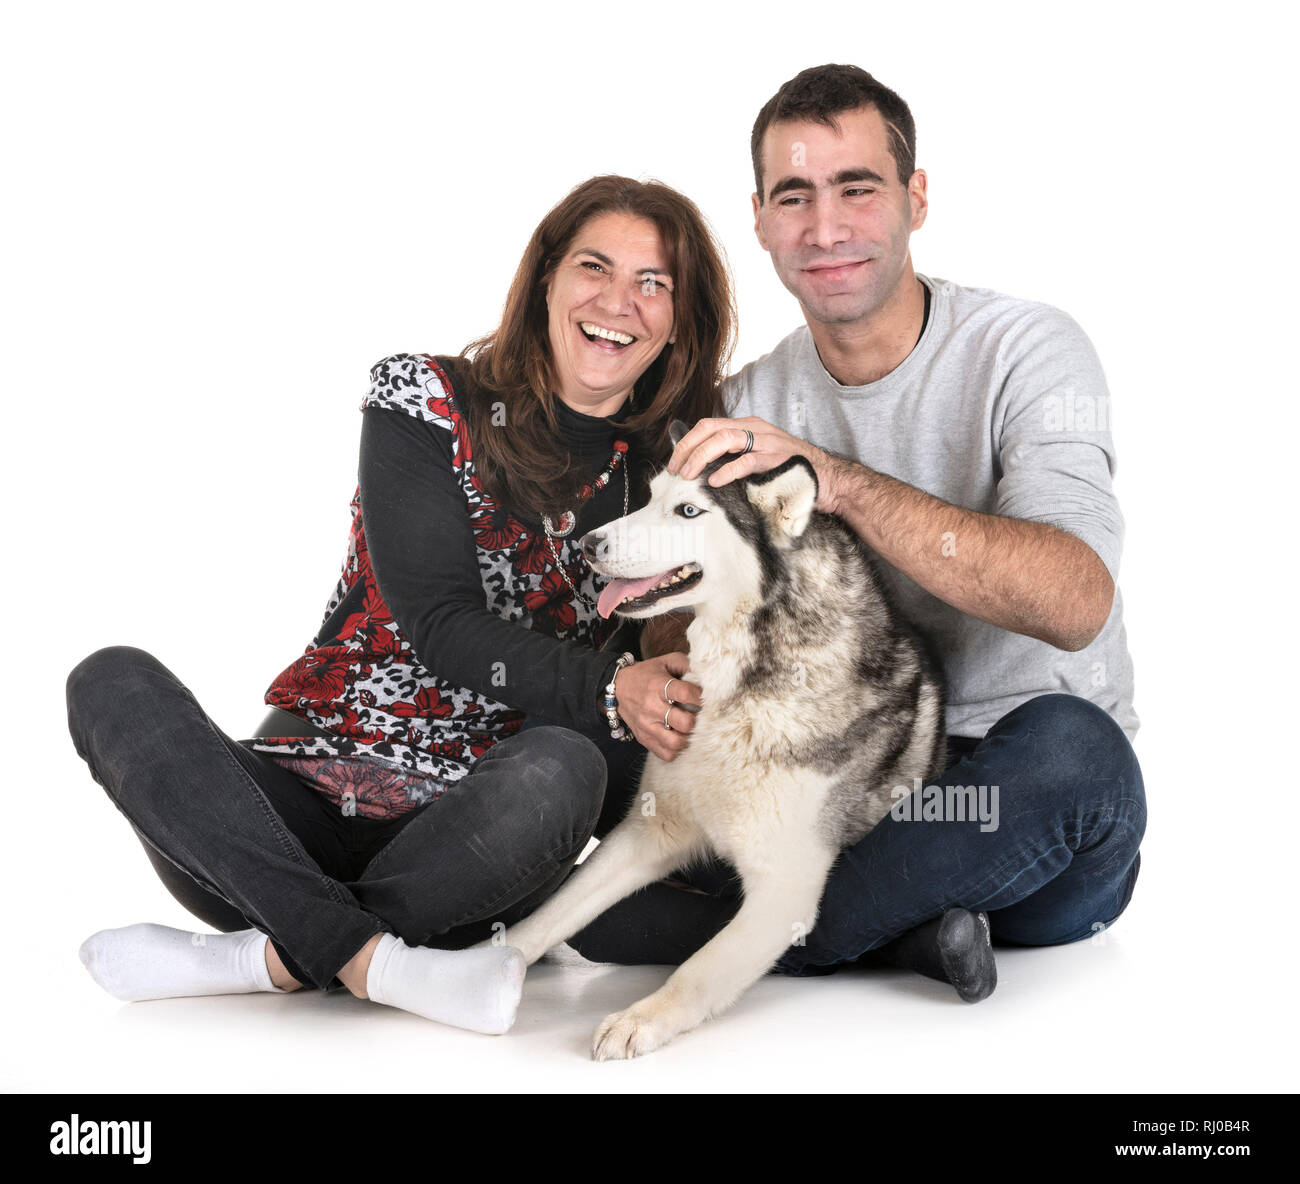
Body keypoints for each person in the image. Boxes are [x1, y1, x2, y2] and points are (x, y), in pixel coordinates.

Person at [66, 174, 734, 1033]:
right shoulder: (423, 399)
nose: (619, 302)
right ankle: (376, 959)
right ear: (546, 281)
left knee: (568, 768)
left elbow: (681, 679)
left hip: (474, 842)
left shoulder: (664, 480)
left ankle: (263, 959)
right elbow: (442, 625)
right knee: (110, 680)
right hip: (274, 830)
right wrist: (612, 689)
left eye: (655, 284)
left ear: (679, 321)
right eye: (594, 268)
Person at [563, 65, 1146, 1002]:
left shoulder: (1028, 349)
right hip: (835, 788)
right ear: (759, 218)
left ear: (916, 198)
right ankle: (904, 929)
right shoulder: (743, 401)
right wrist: (659, 645)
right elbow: (684, 637)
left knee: (1079, 754)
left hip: (1004, 791)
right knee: (598, 761)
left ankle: (763, 930)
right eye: (794, 196)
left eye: (857, 188)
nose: (825, 228)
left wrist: (833, 481)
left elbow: (1077, 603)